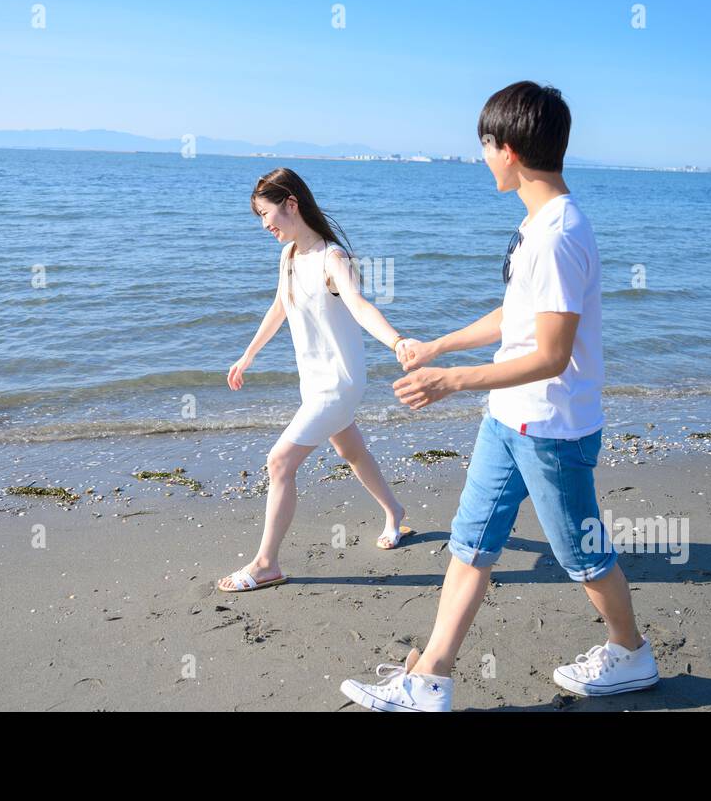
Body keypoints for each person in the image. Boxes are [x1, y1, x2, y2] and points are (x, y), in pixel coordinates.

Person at [340, 82, 657, 710]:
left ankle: (630, 653)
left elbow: (551, 353)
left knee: (583, 554)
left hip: (550, 430)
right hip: (506, 421)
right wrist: (438, 348)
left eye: (485, 146)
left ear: (508, 150)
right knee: (470, 545)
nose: (482, 158)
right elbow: (515, 316)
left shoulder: (560, 235)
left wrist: (451, 381)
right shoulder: (536, 225)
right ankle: (429, 679)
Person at [218, 167, 414, 592]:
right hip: (314, 381)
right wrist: (247, 355)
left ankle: (266, 563)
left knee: (279, 461)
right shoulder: (288, 256)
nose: (264, 225)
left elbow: (360, 306)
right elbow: (279, 307)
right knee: (353, 452)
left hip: (339, 383)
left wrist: (397, 342)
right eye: (258, 217)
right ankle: (394, 511)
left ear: (292, 204)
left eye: (266, 213)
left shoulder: (332, 258)